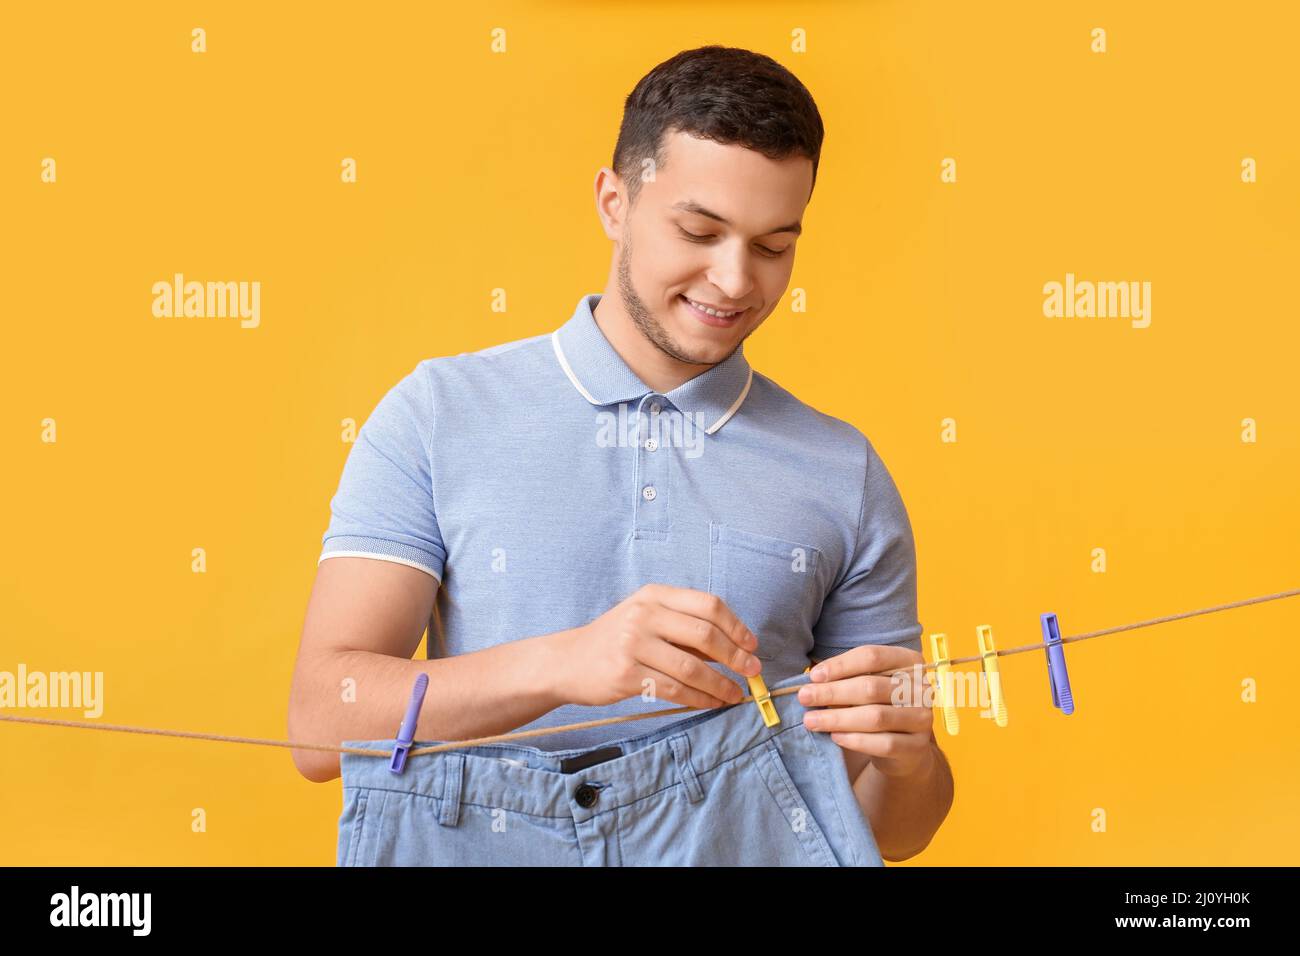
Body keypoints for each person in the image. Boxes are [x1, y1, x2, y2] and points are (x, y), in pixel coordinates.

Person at [289, 44, 952, 861]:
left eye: (774, 245)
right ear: (614, 201)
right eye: (699, 230)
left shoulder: (841, 471)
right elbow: (321, 726)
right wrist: (564, 664)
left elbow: (890, 832)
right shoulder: (439, 413)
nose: (734, 280)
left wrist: (911, 754)